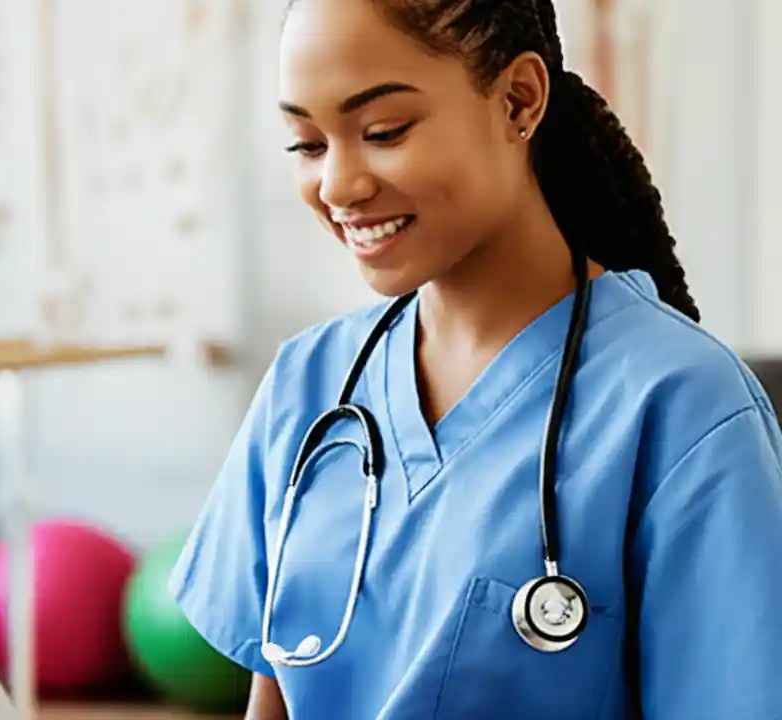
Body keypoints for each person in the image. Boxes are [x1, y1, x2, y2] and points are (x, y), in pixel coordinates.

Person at [167, 0, 782, 717]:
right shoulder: (308, 383)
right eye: (307, 144)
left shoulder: (683, 404)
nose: (337, 185)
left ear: (519, 99)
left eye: (383, 131)